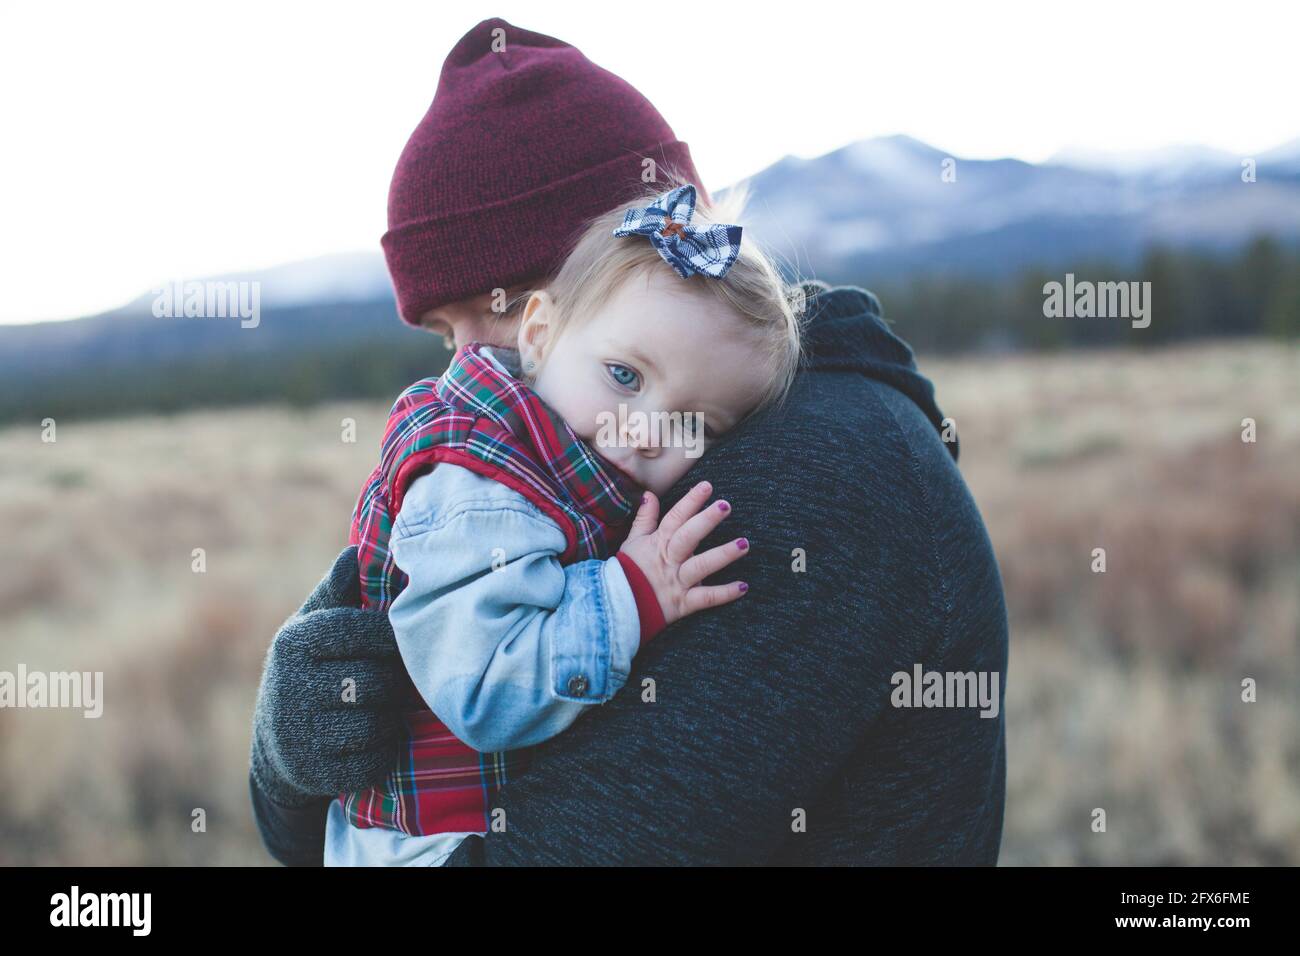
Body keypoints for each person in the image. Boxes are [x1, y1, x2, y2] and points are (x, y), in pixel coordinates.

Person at [249, 16, 1009, 865]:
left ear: (641, 256)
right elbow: (313, 831)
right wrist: (290, 752)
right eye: (442, 334)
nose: (469, 367)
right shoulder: (564, 460)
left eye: (498, 309)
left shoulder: (817, 476)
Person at [328, 180, 801, 865]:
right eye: (624, 376)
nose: (641, 432)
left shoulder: (571, 455)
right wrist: (631, 595)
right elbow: (484, 689)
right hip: (426, 847)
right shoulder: (479, 485)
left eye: (691, 423)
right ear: (541, 335)